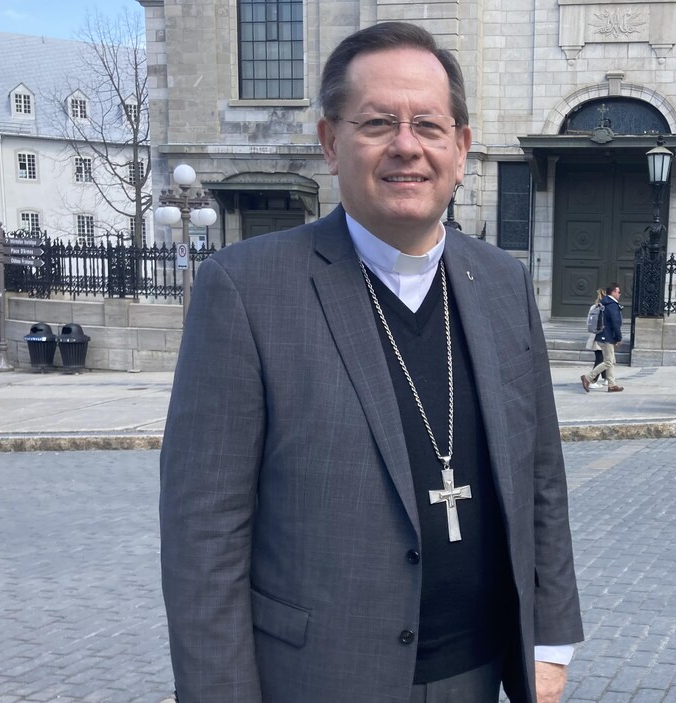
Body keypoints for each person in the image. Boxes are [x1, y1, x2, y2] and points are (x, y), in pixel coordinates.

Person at [159, 23, 583, 703]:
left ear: (461, 147)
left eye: (429, 126)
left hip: (478, 675)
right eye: (378, 122)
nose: (407, 146)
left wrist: (552, 641)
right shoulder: (246, 290)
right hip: (319, 678)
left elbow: (542, 477)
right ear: (331, 142)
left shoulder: (503, 282)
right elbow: (204, 536)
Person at [581, 283, 623, 392]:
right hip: (607, 336)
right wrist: (618, 337)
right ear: (613, 292)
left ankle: (612, 385)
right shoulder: (612, 305)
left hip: (602, 335)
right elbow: (616, 322)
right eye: (618, 292)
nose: (620, 294)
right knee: (609, 361)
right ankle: (588, 377)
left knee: (610, 360)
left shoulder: (604, 303)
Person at [583, 288, 606, 389]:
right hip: (603, 336)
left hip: (594, 336)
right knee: (600, 359)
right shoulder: (605, 308)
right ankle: (592, 380)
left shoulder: (593, 307)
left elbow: (588, 322)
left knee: (603, 358)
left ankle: (606, 378)